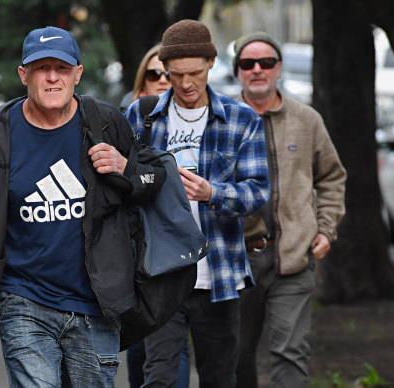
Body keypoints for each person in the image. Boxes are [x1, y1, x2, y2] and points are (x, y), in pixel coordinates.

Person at [0, 26, 167, 387]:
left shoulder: (106, 123)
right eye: (42, 68)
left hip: (97, 304)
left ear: (78, 73)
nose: (52, 78)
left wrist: (126, 169)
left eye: (61, 68)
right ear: (24, 75)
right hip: (24, 301)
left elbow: (153, 181)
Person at [125, 19, 271, 387]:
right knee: (158, 377)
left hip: (219, 275)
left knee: (219, 377)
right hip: (160, 272)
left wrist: (213, 193)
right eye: (176, 75)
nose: (186, 84)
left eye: (194, 73)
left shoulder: (241, 120)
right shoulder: (142, 117)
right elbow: (120, 188)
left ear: (211, 63)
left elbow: (257, 191)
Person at [231, 32, 347, 388]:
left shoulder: (306, 120)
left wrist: (326, 229)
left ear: (278, 68)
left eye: (266, 62)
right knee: (235, 353)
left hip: (294, 257)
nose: (257, 70)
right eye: (248, 64)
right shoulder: (223, 119)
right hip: (238, 259)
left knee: (290, 352)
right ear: (237, 72)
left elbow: (332, 177)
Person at [121, 43, 190, 388]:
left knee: (170, 354)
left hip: (182, 258)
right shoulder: (127, 120)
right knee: (141, 352)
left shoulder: (200, 116)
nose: (164, 79)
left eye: (171, 73)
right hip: (140, 260)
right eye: (155, 73)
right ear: (142, 82)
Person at [119, 44, 171, 112]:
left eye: (170, 74)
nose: (162, 80)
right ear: (143, 82)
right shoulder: (127, 117)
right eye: (154, 74)